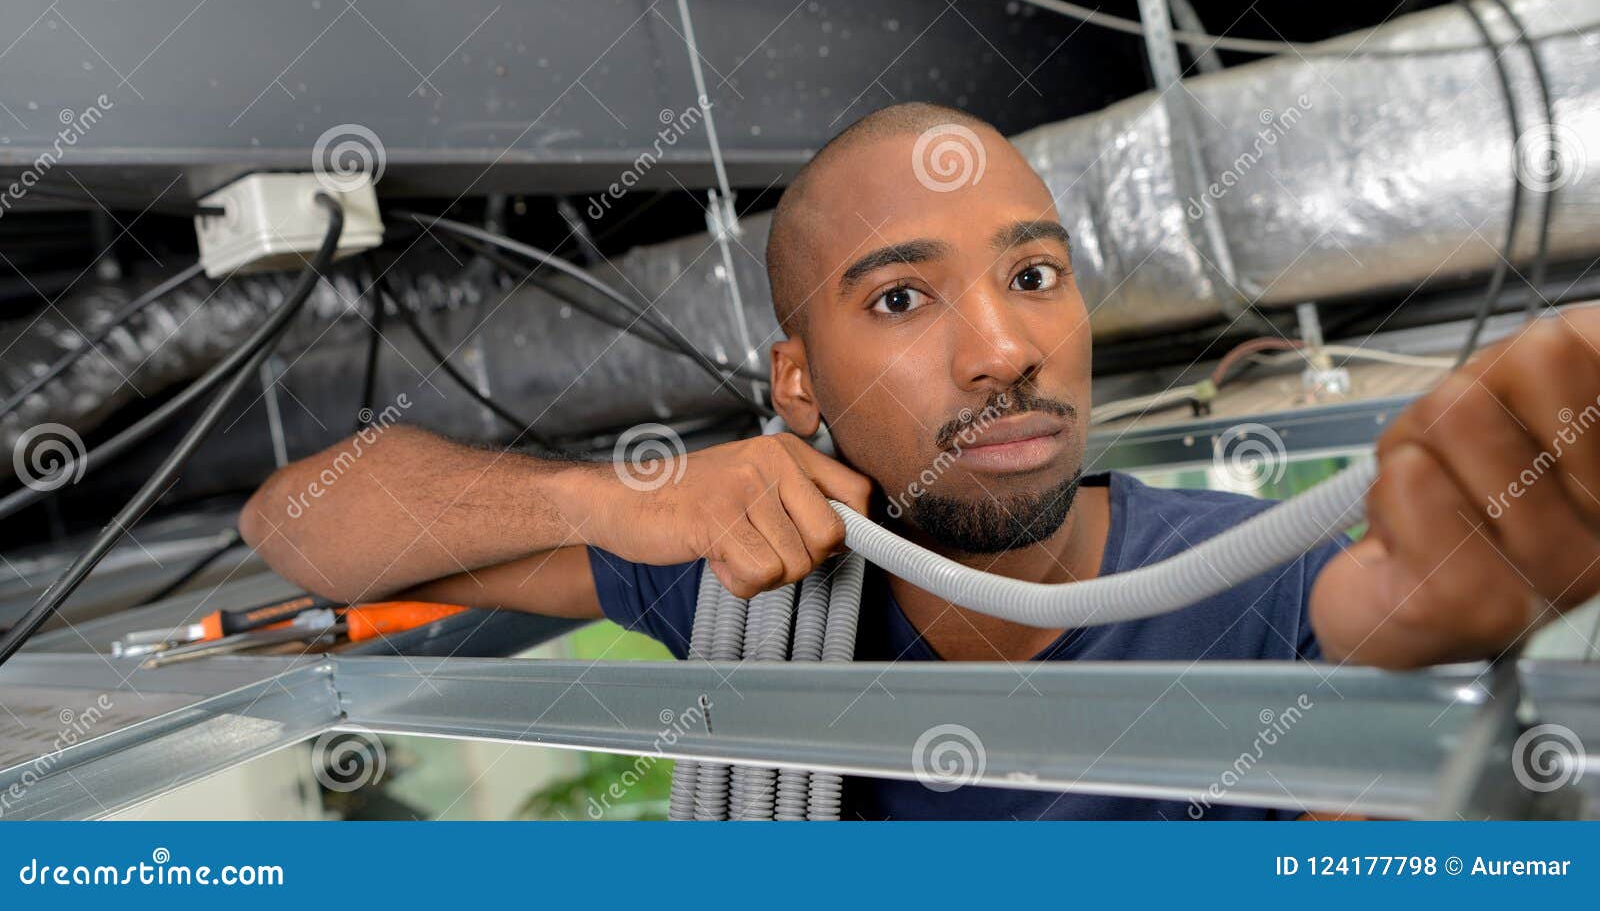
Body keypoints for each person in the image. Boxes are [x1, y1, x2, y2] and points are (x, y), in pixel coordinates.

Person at [241, 102, 1600, 819]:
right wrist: (619, 495)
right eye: (902, 298)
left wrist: (1454, 611)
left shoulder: (1260, 582)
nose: (1002, 347)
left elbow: (1385, 651)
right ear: (798, 381)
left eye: (1035, 271)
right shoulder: (755, 579)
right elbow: (301, 518)